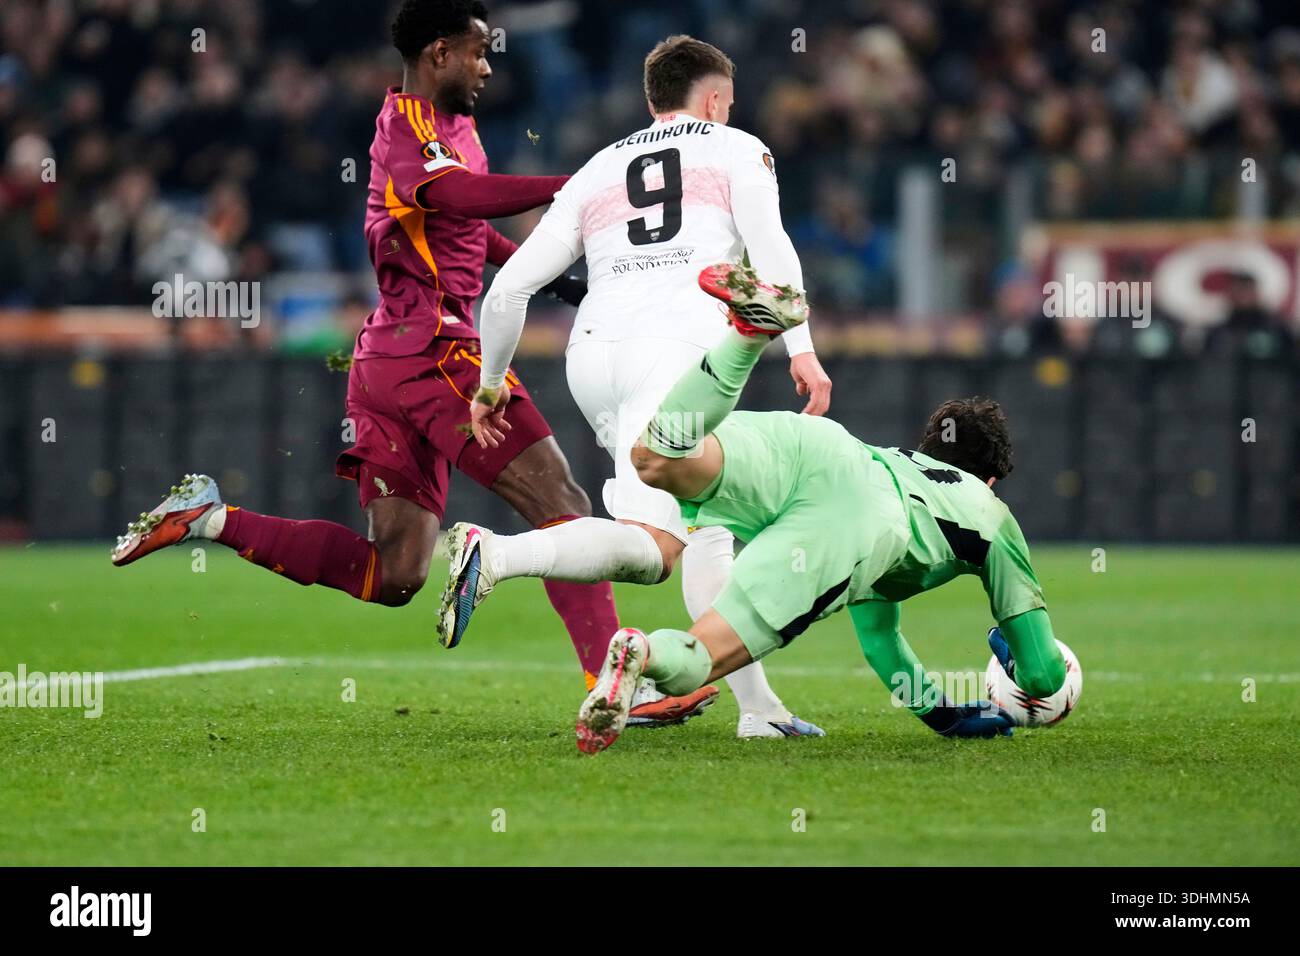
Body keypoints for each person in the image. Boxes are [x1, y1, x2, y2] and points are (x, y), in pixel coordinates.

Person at [108, 0, 715, 725]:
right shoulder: (406, 127)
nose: (488, 67)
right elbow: (460, 195)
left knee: (394, 574)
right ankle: (619, 684)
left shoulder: (455, 129)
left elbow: (468, 229)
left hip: (388, 364)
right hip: (439, 356)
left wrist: (558, 281)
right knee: (563, 506)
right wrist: (578, 184)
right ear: (438, 54)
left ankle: (209, 518)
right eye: (478, 52)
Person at [440, 35, 834, 738]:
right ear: (715, 100)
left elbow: (511, 291)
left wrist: (492, 381)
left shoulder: (597, 168)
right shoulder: (738, 146)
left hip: (591, 355)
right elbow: (772, 247)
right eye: (730, 101)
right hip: (677, 352)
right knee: (655, 548)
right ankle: (495, 554)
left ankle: (760, 711)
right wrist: (800, 347)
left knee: (712, 519)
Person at [561, 262, 1069, 753]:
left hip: (824, 448)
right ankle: (642, 652)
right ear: (992, 480)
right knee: (700, 658)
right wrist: (1005, 647)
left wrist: (940, 714)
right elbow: (1044, 677)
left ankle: (743, 337)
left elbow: (880, 637)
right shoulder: (990, 513)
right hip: (857, 518)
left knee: (657, 458)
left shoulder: (907, 462)